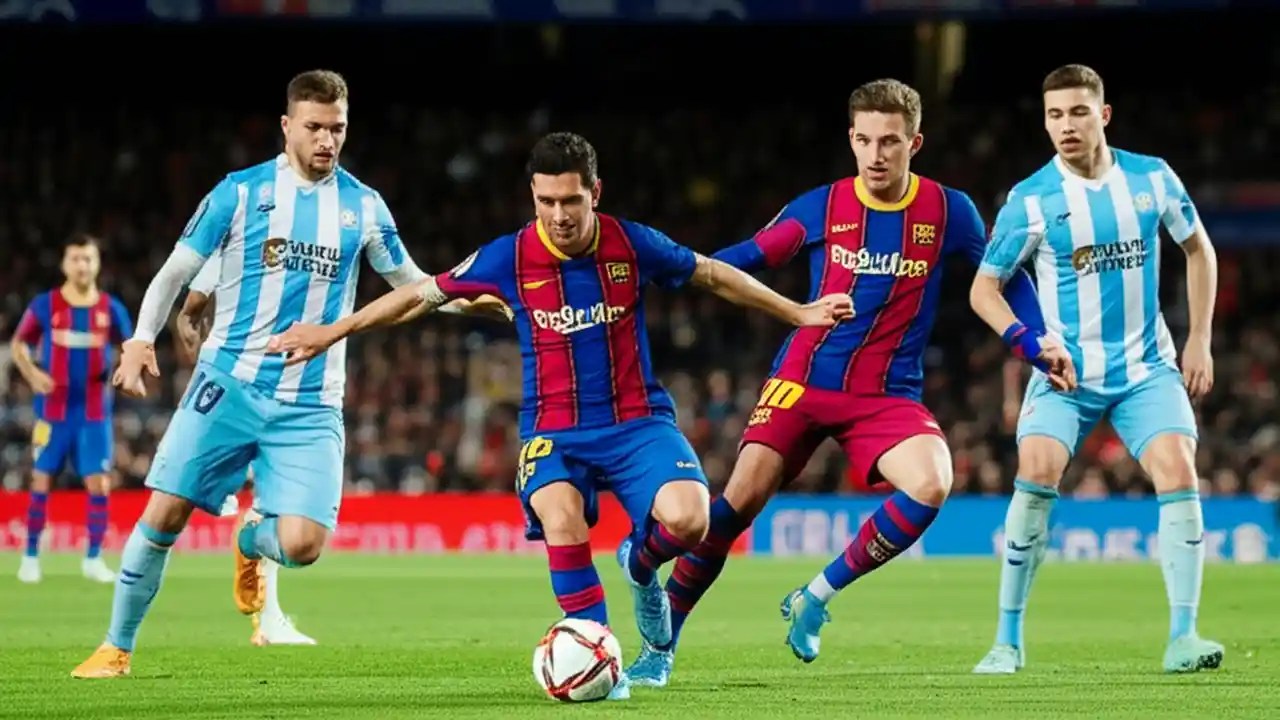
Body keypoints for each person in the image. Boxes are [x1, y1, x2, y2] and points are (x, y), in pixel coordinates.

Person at [266, 131, 853, 700]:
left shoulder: (632, 243)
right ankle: (604, 664)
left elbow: (712, 273)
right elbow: (421, 296)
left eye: (570, 200)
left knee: (692, 521)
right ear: (533, 198)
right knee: (562, 519)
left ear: (595, 193)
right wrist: (334, 330)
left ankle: (640, 562)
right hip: (554, 432)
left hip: (637, 421)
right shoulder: (509, 256)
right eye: (546, 201)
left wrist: (796, 312)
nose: (559, 215)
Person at [625, 79, 1068, 685]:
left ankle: (816, 595)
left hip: (886, 396)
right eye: (864, 140)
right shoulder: (821, 207)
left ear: (916, 141)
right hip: (803, 380)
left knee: (932, 483)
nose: (875, 154)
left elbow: (1004, 276)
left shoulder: (949, 210)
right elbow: (749, 257)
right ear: (851, 140)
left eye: (890, 141)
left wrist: (1036, 336)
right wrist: (669, 268)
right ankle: (660, 645)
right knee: (736, 505)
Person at [71, 69, 501, 679]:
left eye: (338, 129)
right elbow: (174, 272)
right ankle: (116, 647)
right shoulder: (239, 193)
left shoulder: (363, 206)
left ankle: (250, 542)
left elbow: (412, 286)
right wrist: (141, 339)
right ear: (286, 126)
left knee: (302, 545)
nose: (327, 140)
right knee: (164, 515)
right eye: (315, 128)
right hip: (228, 384)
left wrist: (481, 297)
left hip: (311, 402)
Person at [970, 64, 1222, 675]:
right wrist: (1031, 346)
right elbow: (984, 290)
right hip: (1067, 374)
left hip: (1146, 367)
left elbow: (1199, 249)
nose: (1066, 126)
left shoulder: (1151, 177)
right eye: (1055, 115)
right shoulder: (1031, 199)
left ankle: (1183, 637)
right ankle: (1007, 641)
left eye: (1078, 112)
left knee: (1177, 467)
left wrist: (1199, 340)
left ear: (1102, 115)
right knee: (1037, 469)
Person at [175, 256, 314, 646]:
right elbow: (189, 313)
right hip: (237, 388)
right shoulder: (231, 244)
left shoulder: (300, 239)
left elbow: (189, 315)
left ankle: (268, 622)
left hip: (283, 385)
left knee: (277, 506)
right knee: (171, 511)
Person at [13, 234, 134, 585]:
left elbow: (129, 347)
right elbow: (20, 344)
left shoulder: (110, 309)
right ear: (65, 264)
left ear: (97, 264)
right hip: (52, 411)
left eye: (88, 259)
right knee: (41, 479)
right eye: (76, 259)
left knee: (100, 484)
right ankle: (31, 556)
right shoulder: (46, 305)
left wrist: (128, 374)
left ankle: (93, 558)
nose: (82, 265)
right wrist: (33, 373)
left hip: (94, 413)